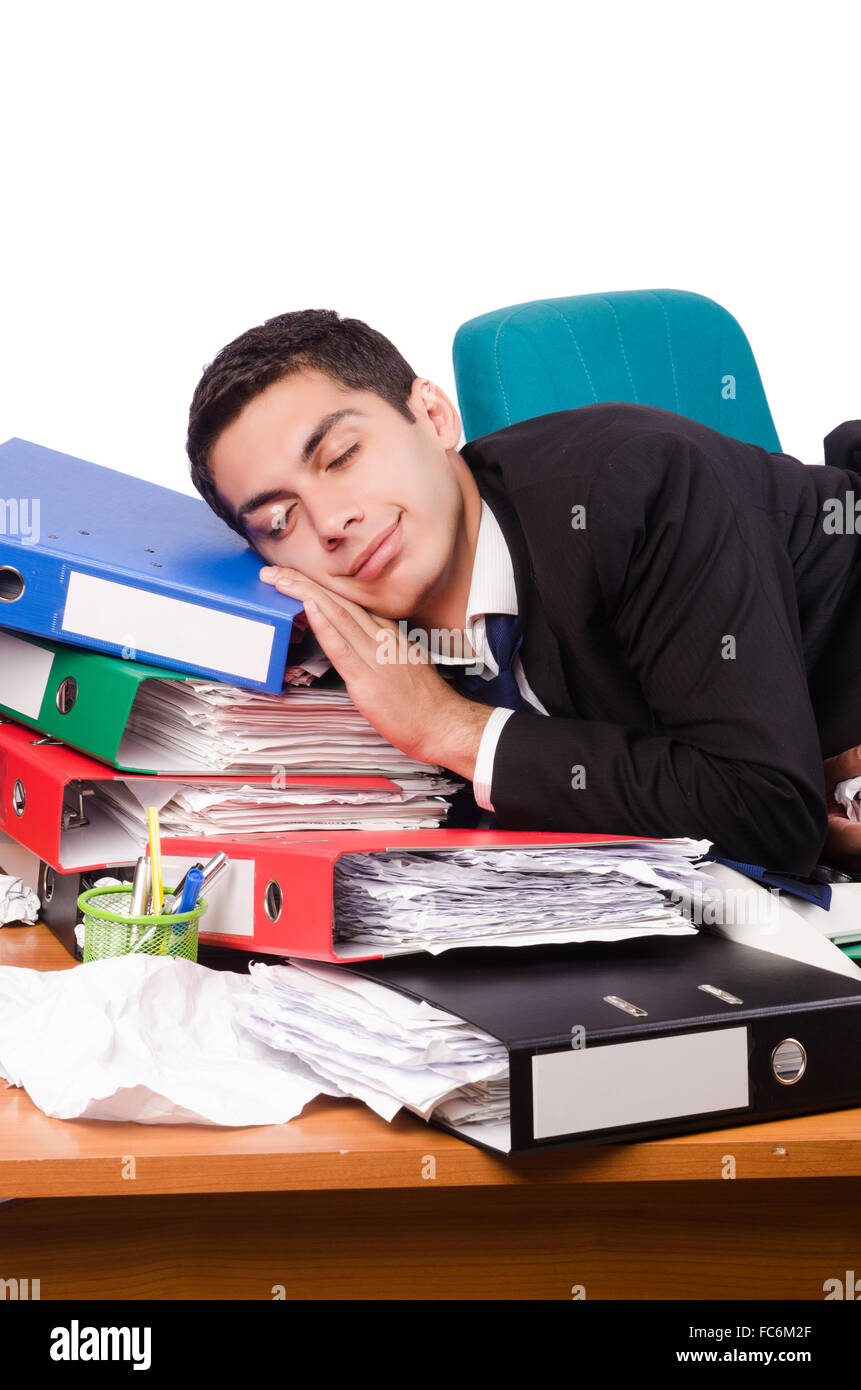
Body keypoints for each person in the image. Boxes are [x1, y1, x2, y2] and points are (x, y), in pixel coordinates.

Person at [185, 308, 861, 874]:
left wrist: (450, 730)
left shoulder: (638, 485)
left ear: (433, 415)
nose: (331, 524)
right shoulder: (349, 644)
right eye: (280, 520)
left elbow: (768, 813)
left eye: (341, 457)